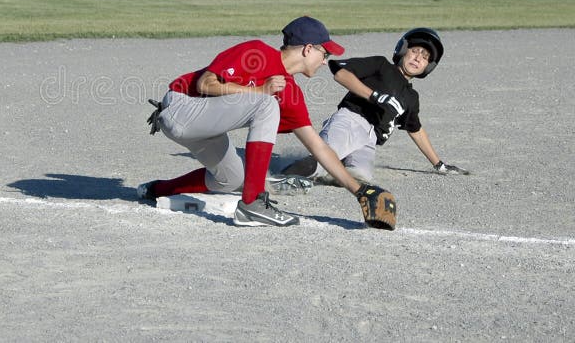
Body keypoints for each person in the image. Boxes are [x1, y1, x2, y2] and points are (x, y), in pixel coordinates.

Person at [138, 16, 388, 227]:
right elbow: (206, 84)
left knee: (231, 179)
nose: (325, 61)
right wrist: (260, 91)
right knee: (267, 103)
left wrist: (358, 190)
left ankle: (155, 189)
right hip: (181, 107)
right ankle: (253, 203)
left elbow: (318, 147)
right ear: (308, 49)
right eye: (325, 53)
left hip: (205, 128)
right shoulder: (256, 52)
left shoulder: (291, 92)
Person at [278, 27, 468, 187]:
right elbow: (341, 74)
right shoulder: (381, 65)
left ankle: (330, 164)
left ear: (429, 66)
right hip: (350, 121)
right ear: (403, 50)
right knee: (322, 162)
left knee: (360, 176)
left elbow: (416, 130)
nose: (418, 58)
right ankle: (276, 179)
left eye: (425, 57)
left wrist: (439, 164)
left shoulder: (411, 97)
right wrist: (374, 95)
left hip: (369, 140)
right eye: (415, 51)